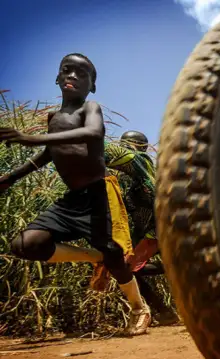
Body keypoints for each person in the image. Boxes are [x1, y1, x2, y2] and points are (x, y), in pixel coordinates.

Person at [0, 53, 151, 335]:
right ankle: (94, 257)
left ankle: (139, 309)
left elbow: (93, 134)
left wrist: (33, 138)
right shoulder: (53, 118)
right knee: (25, 244)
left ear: (92, 86)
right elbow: (47, 155)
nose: (72, 76)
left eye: (82, 74)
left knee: (115, 258)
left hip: (97, 197)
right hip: (71, 201)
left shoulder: (90, 109)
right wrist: (9, 178)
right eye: (67, 71)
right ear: (57, 78)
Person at [104, 130, 179, 326]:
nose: (124, 147)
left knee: (128, 268)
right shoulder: (127, 176)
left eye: (127, 144)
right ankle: (165, 311)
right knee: (129, 269)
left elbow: (113, 154)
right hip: (146, 230)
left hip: (159, 228)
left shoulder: (141, 160)